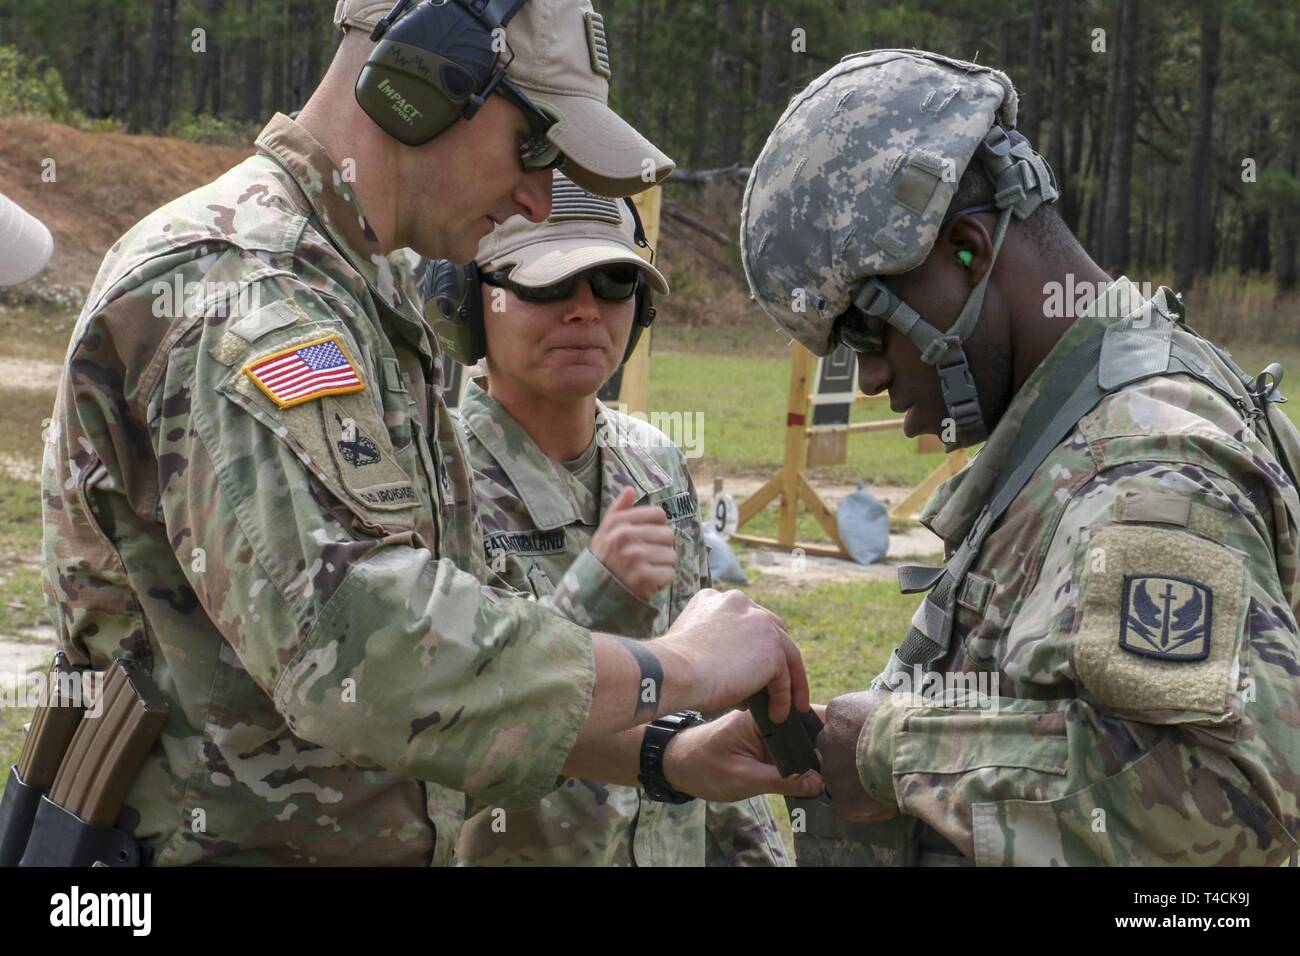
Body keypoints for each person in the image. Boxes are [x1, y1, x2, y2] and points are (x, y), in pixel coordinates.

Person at [39, 0, 817, 867]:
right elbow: (363, 663)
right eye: (533, 149)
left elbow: (445, 701)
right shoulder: (245, 291)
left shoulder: (354, 293)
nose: (536, 196)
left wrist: (661, 755)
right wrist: (679, 667)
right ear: (421, 80)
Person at [740, 49, 1300, 866]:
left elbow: (1222, 796)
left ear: (967, 250)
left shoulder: (1145, 466)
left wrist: (896, 750)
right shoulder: (1085, 420)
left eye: (867, 326)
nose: (868, 376)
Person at [421, 170, 788, 865]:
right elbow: (439, 737)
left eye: (614, 283)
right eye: (549, 284)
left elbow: (709, 713)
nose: (586, 310)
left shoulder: (655, 464)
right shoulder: (429, 483)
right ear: (471, 303)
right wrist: (593, 600)